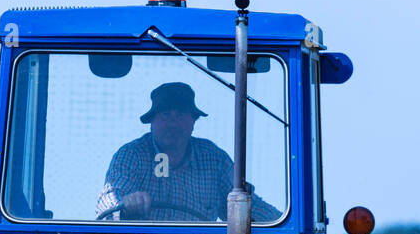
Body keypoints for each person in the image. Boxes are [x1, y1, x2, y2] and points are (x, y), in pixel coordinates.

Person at [96, 82, 281, 222]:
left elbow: (245, 206)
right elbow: (108, 205)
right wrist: (126, 206)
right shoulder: (132, 155)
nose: (173, 123)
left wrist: (282, 224)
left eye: (181, 115)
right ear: (152, 122)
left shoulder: (213, 159)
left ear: (193, 121)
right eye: (165, 115)